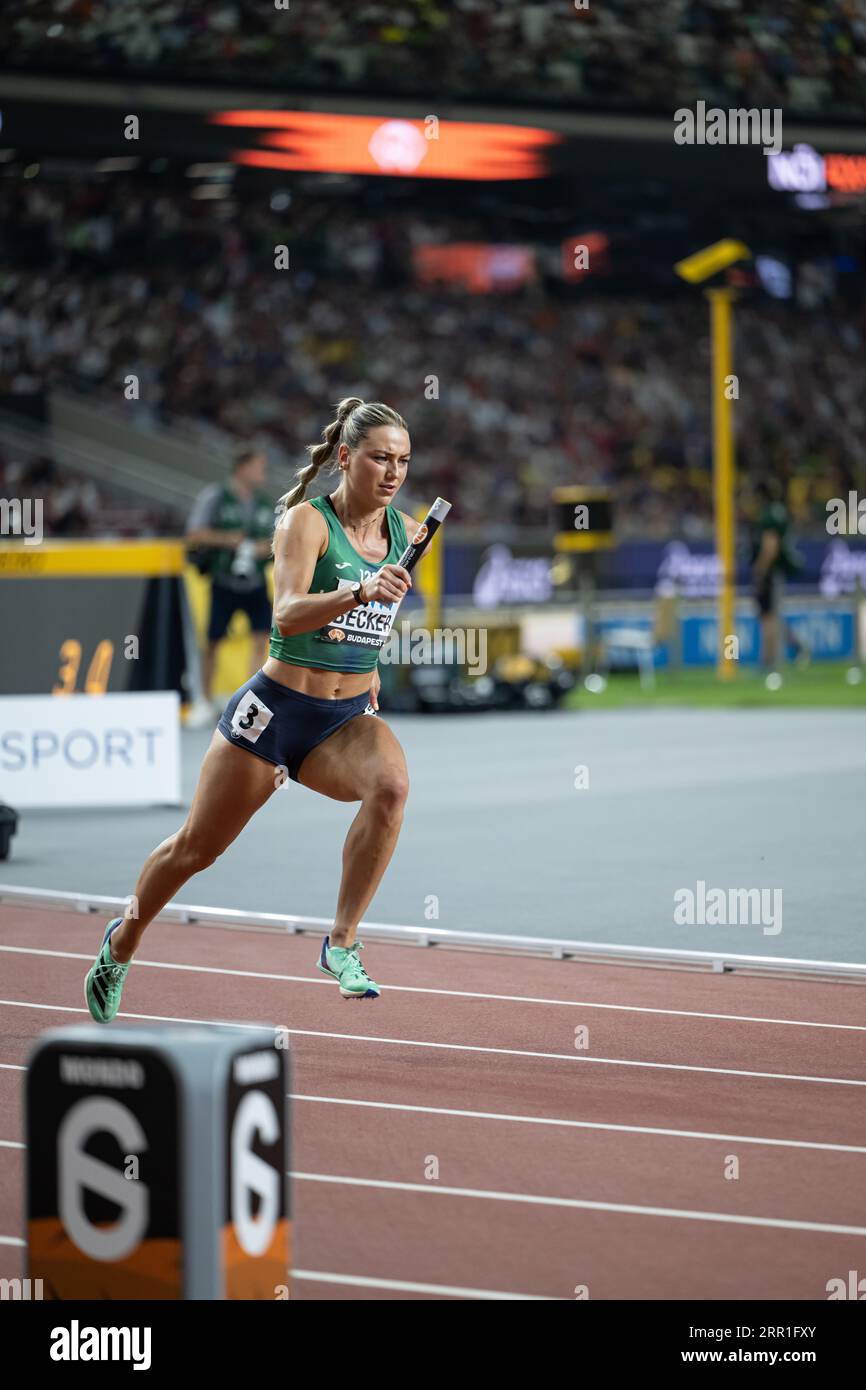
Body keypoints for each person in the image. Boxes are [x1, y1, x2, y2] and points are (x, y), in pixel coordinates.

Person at [85, 398, 419, 1016]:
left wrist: (369, 667)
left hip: (341, 723)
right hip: (273, 715)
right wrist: (359, 589)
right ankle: (122, 941)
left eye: (402, 460)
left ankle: (341, 942)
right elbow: (287, 615)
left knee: (392, 788)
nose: (394, 473)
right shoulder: (305, 522)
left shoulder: (405, 532)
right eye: (380, 458)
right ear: (346, 458)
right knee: (196, 850)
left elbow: (379, 619)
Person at [185, 446, 276, 722]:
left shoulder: (264, 503)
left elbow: (277, 540)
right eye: (259, 467)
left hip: (255, 582)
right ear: (243, 467)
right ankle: (204, 699)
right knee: (212, 641)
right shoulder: (215, 497)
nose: (263, 473)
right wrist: (228, 540)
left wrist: (264, 548)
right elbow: (195, 534)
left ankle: (252, 700)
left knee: (262, 639)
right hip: (224, 581)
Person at [750, 479, 807, 679]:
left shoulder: (769, 515)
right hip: (777, 571)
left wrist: (760, 569)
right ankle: (795, 646)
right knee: (772, 614)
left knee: (768, 616)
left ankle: (769, 661)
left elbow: (770, 545)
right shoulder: (778, 511)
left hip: (771, 572)